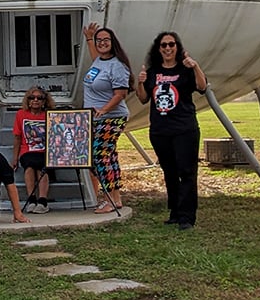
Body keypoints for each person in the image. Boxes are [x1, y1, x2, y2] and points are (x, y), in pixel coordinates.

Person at [136, 32, 207, 230]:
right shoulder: (153, 72)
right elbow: (143, 98)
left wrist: (195, 66)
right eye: (163, 45)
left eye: (171, 44)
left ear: (177, 47)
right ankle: (175, 212)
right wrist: (140, 82)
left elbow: (202, 87)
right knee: (169, 172)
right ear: (158, 49)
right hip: (160, 130)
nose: (167, 48)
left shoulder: (185, 70)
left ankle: (187, 217)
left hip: (184, 129)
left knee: (187, 172)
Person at [82, 22, 135, 212]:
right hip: (95, 119)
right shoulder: (99, 62)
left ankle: (108, 199)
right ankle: (115, 198)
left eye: (106, 40)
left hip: (111, 118)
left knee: (99, 156)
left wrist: (104, 109)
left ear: (113, 42)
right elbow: (94, 55)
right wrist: (89, 37)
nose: (102, 43)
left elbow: (120, 94)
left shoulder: (117, 66)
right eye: (99, 40)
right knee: (108, 157)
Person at [11, 86, 56, 213]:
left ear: (44, 101)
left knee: (41, 167)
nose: (35, 100)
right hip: (28, 150)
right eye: (32, 97)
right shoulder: (21, 114)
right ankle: (32, 199)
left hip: (44, 151)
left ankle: (42, 200)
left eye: (39, 98)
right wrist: (15, 158)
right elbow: (17, 137)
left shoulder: (49, 115)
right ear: (28, 100)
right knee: (30, 165)